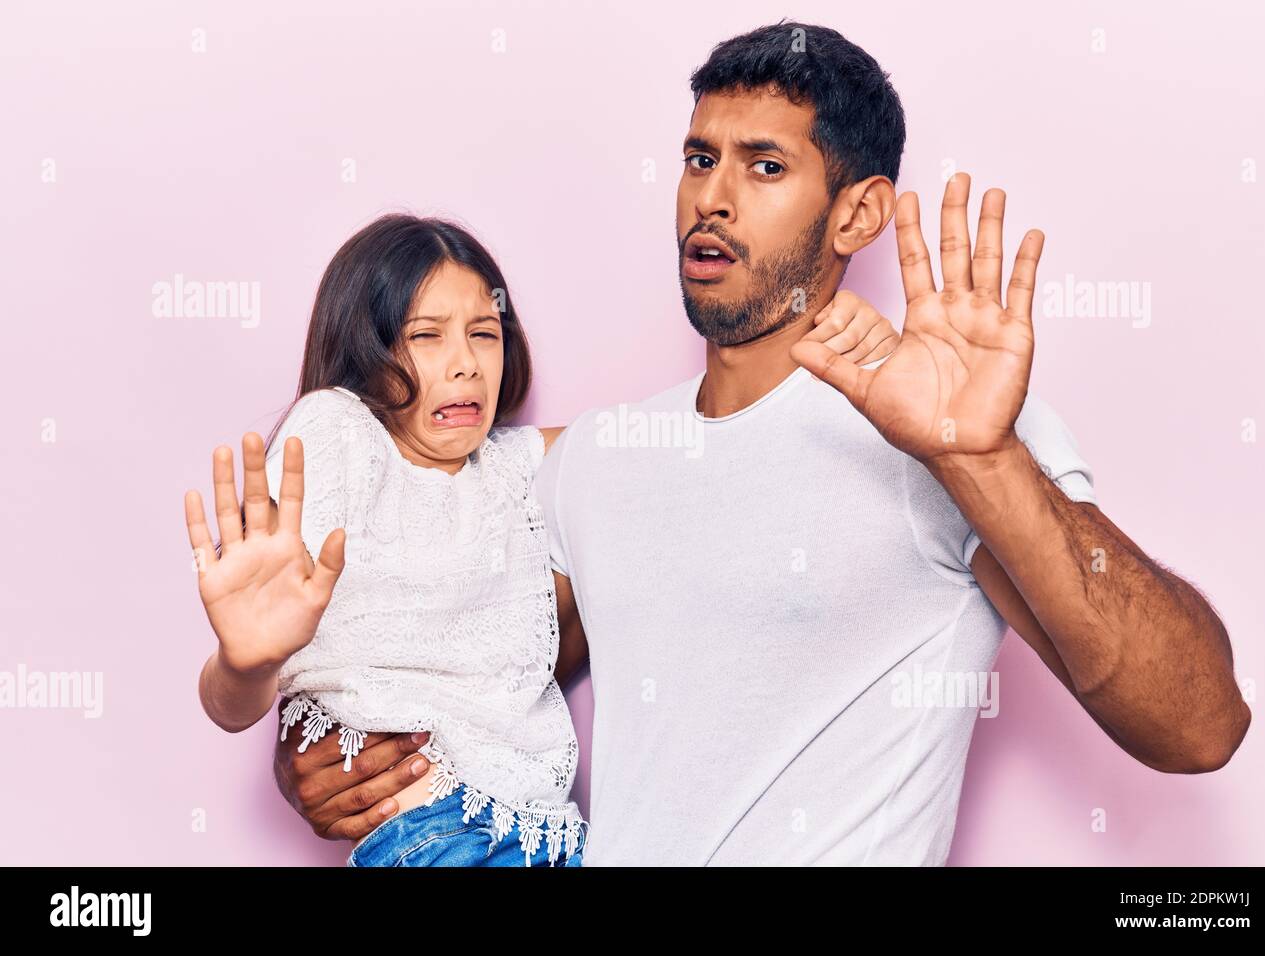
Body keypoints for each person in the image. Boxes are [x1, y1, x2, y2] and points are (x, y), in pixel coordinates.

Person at [270, 22, 1250, 865]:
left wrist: (978, 457)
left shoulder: (953, 431)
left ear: (857, 212)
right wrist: (317, 749)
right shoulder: (595, 462)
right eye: (700, 158)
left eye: (765, 166)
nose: (713, 198)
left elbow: (1201, 725)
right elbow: (466, 664)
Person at [185, 213, 902, 864]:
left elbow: (686, 444)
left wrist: (835, 349)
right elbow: (230, 702)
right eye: (426, 336)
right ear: (364, 350)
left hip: (553, 839)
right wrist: (246, 664)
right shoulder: (341, 432)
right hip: (434, 833)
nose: (465, 363)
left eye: (484, 333)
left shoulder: (519, 467)